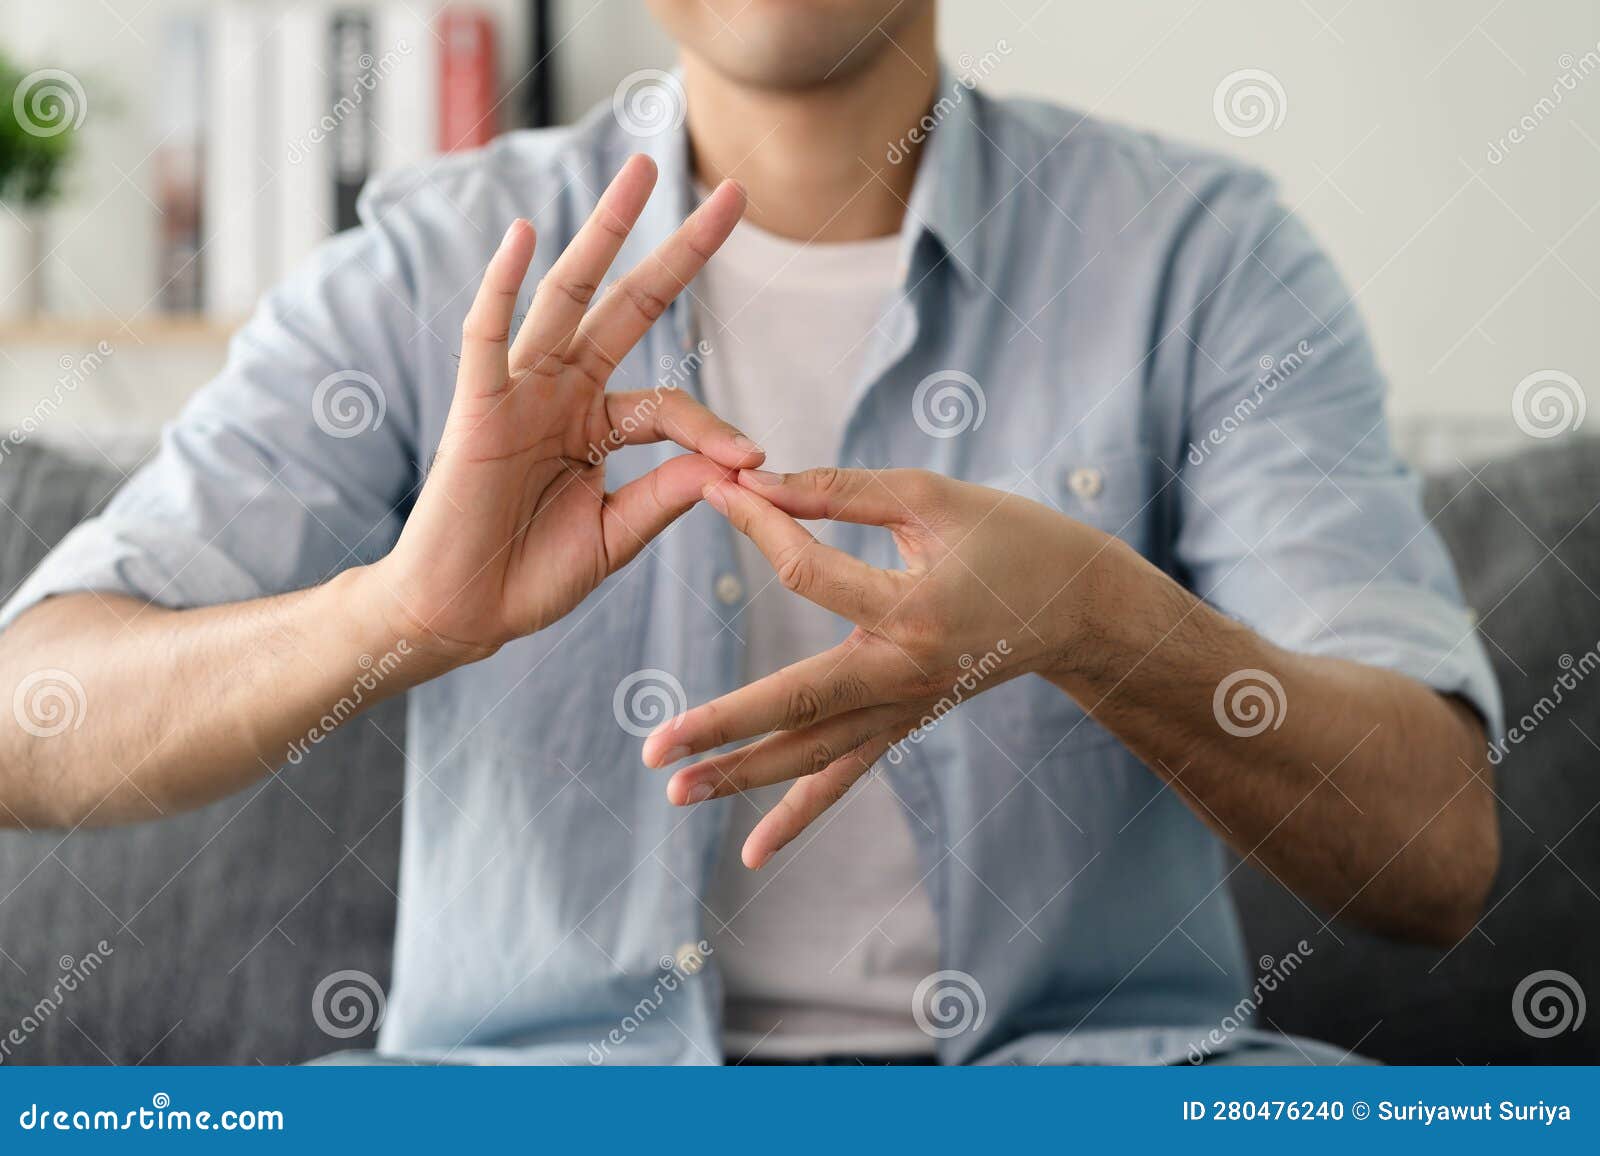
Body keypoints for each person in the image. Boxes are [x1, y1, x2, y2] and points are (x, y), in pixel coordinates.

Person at [0, 0, 1500, 1065]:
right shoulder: (431, 267)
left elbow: (1435, 857)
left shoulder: (1204, 258)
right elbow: (29, 722)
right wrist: (387, 615)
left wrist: (1096, 623)